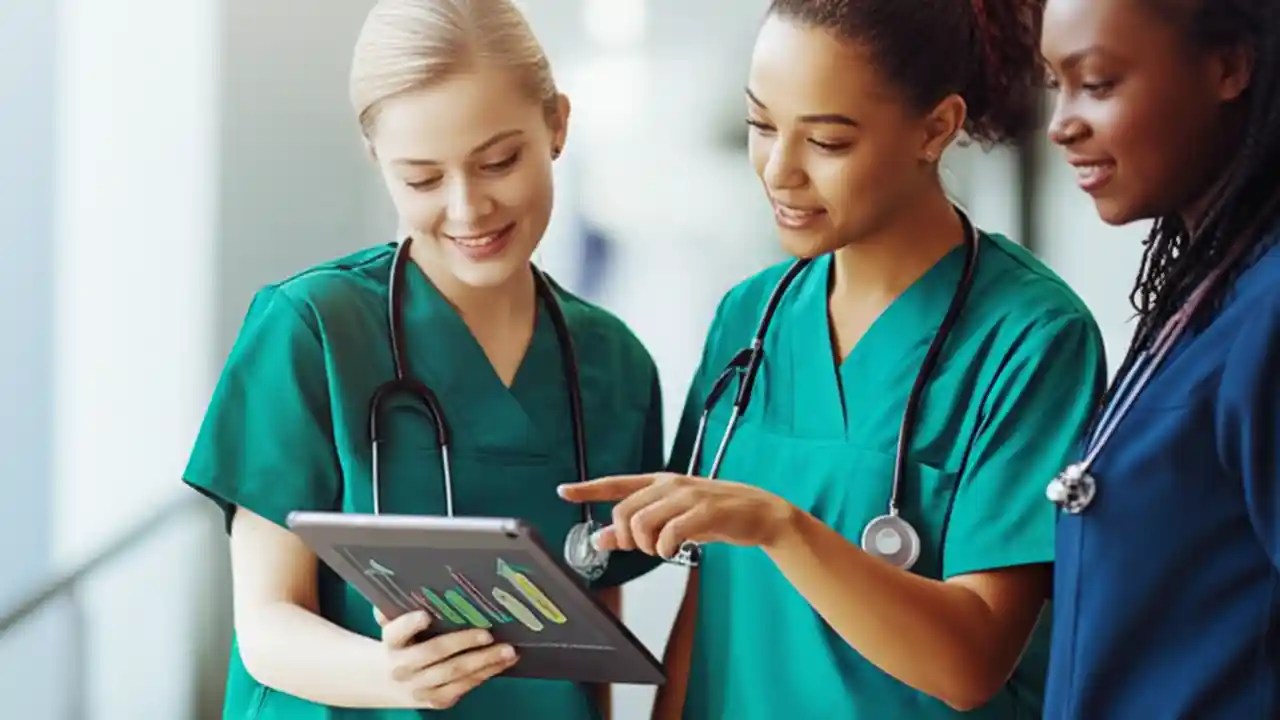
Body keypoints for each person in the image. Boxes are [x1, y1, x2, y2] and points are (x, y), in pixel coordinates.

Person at [558, 1, 1107, 718]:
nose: (780, 172)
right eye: (761, 126)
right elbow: (710, 600)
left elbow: (971, 662)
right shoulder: (751, 318)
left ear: (935, 129)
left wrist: (781, 528)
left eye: (827, 141)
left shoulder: (1030, 339)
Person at [181, 0, 664, 717]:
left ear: (558, 125)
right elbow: (266, 625)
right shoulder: (313, 330)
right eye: (423, 179)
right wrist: (394, 678)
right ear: (378, 160)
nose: (469, 209)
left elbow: (594, 625)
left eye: (499, 162)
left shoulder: (612, 365)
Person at [1039, 0, 1280, 716]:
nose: (1061, 123)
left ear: (1228, 67)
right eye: (1054, 82)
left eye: (1099, 82)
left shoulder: (1268, 312)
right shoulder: (1209, 296)